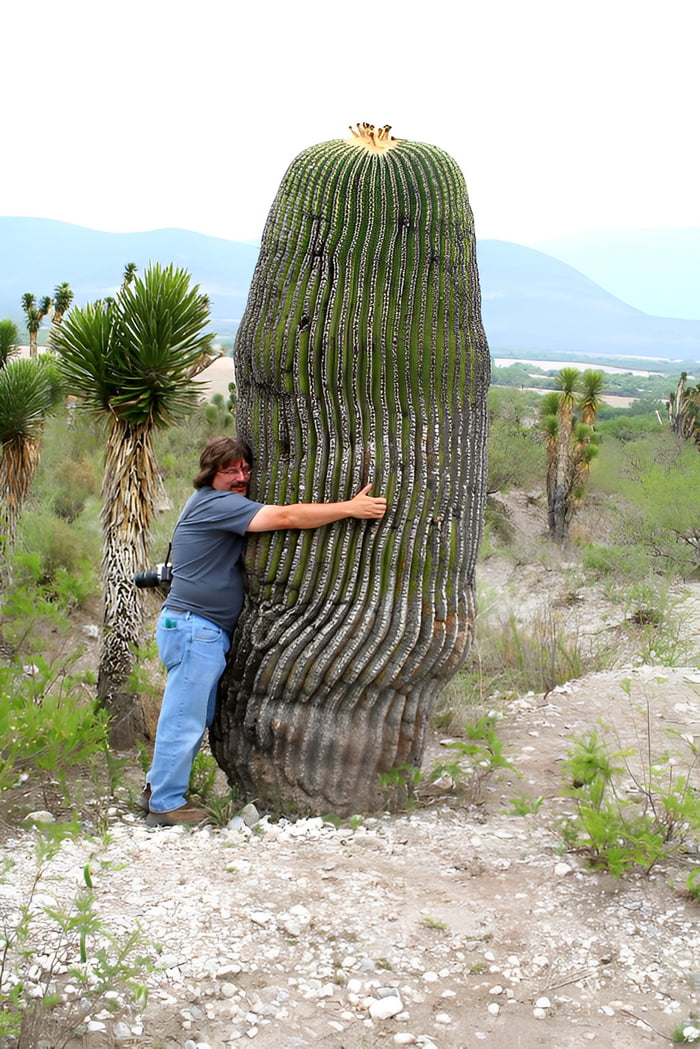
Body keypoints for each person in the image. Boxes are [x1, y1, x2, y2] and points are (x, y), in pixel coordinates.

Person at [141, 435, 387, 826]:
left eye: (245, 469)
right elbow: (287, 517)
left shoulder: (213, 503)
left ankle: (158, 791)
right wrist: (350, 509)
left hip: (195, 629)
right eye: (230, 471)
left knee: (189, 714)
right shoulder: (216, 503)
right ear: (210, 474)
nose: (241, 478)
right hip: (194, 628)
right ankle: (165, 805)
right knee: (184, 717)